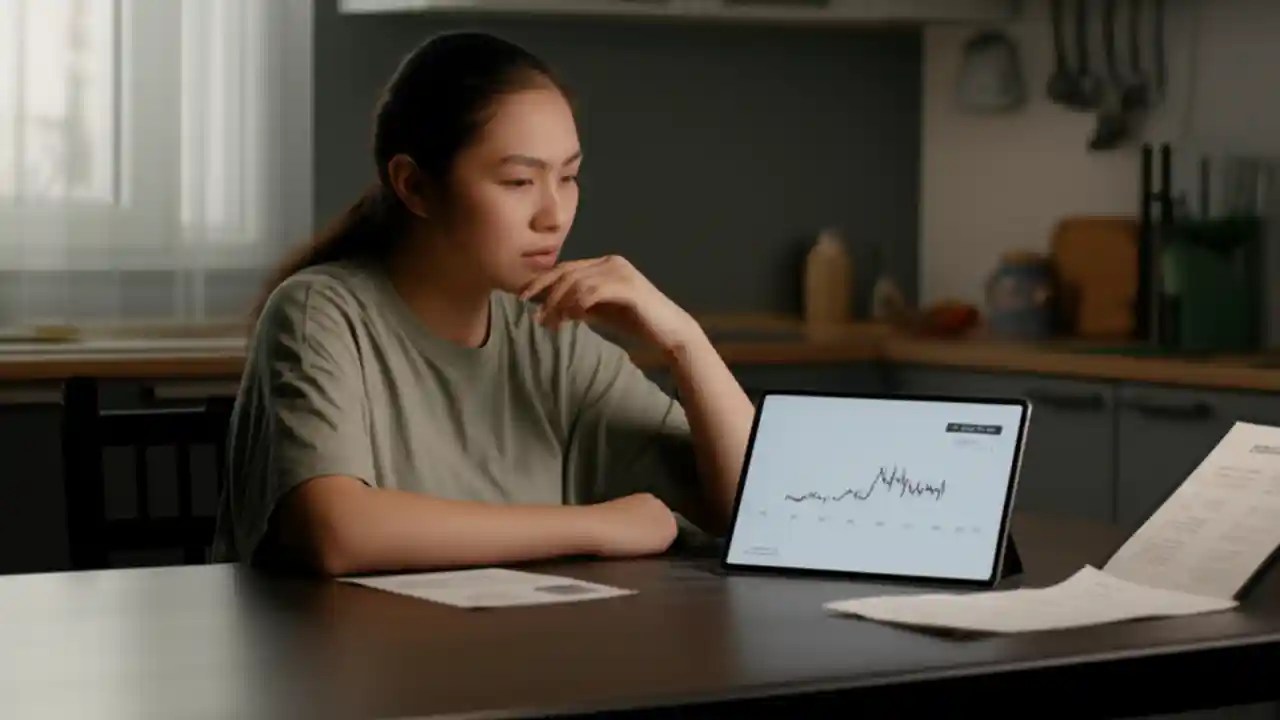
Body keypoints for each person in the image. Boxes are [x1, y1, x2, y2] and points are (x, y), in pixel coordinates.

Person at [211, 31, 755, 576]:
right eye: (518, 181)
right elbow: (336, 531)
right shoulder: (320, 314)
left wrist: (685, 341)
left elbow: (754, 511)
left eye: (568, 177)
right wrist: (595, 525)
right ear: (414, 186)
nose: (555, 215)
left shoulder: (550, 336)